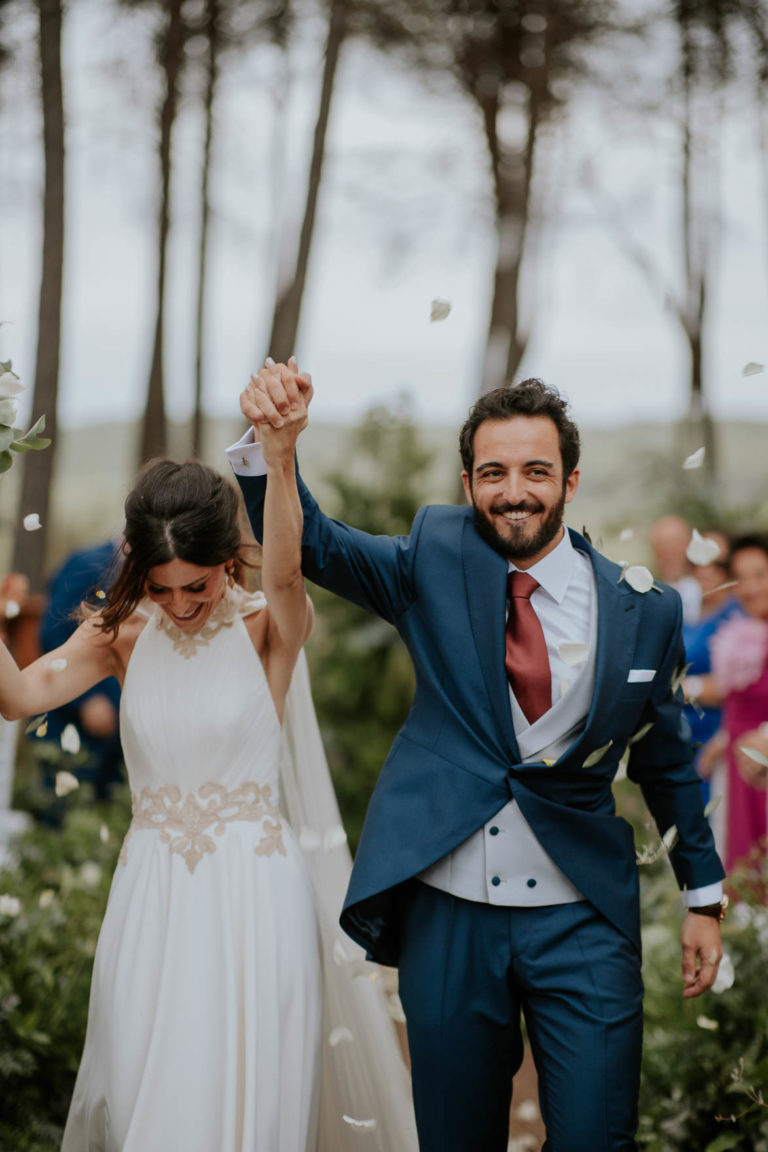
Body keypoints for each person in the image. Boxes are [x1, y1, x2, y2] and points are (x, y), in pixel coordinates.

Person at [234, 364, 726, 1152]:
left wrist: (703, 898)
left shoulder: (647, 610)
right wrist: (274, 453)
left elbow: (665, 763)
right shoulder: (431, 556)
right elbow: (315, 547)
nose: (515, 492)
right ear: (469, 483)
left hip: (582, 918)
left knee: (599, 1140)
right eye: (493, 473)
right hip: (449, 917)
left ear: (569, 480)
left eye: (536, 471)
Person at [0, 402, 418, 1150]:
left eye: (196, 585)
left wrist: (282, 458)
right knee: (143, 1099)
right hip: (152, 900)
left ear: (229, 558)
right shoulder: (116, 636)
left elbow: (288, 569)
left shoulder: (267, 627)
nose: (181, 605)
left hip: (254, 900)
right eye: (161, 589)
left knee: (247, 1107)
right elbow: (18, 698)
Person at [696, 534, 768, 873]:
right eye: (741, 577)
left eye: (760, 575)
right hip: (739, 772)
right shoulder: (745, 633)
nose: (750, 587)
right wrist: (723, 739)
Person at [34, 538, 123, 801]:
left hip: (119, 738)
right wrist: (87, 700)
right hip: (73, 728)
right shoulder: (86, 564)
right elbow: (52, 634)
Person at [680, 530, 742, 805]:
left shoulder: (737, 615)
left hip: (715, 743)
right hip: (681, 743)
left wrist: (686, 688)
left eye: (716, 563)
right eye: (697, 561)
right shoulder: (686, 614)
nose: (705, 570)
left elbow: (742, 686)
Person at [649, 513, 702, 624]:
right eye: (661, 547)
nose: (668, 554)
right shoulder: (648, 596)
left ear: (689, 546)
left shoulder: (707, 589)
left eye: (674, 545)